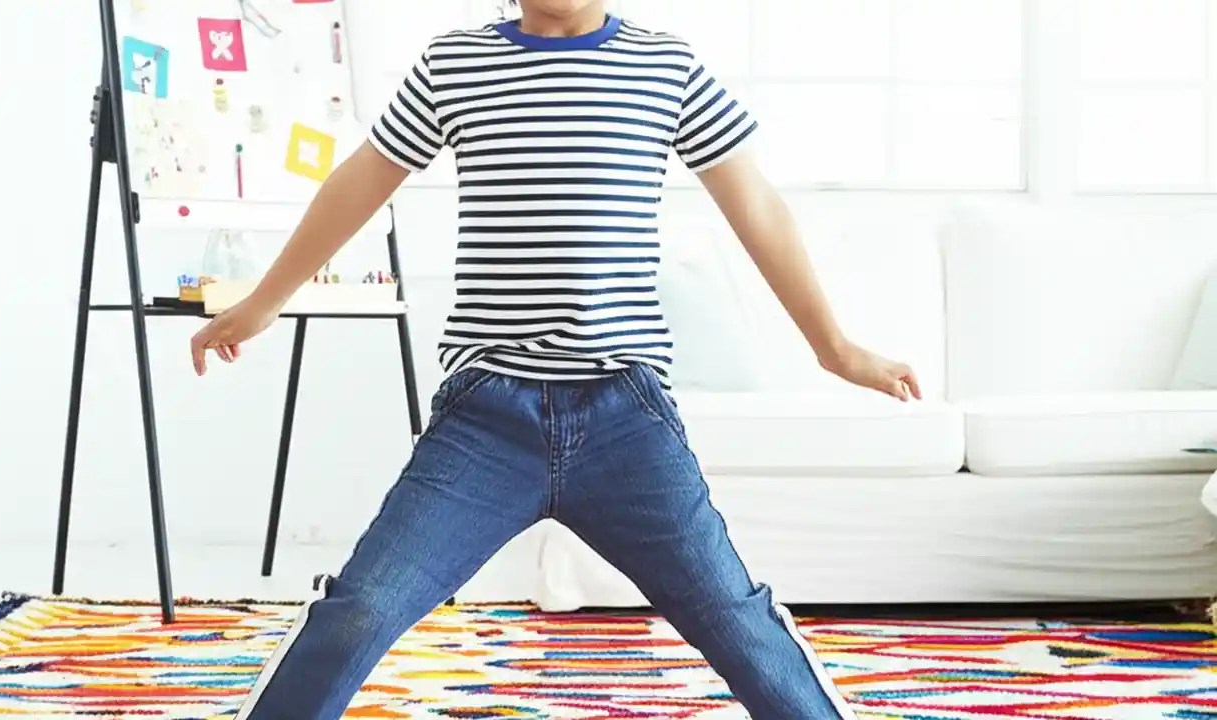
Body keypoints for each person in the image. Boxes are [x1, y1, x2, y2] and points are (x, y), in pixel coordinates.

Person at [194, 1, 920, 718]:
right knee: (360, 608)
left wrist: (835, 347)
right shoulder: (458, 63)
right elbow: (361, 180)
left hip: (625, 421)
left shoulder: (664, 66)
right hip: (486, 420)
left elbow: (755, 204)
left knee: (734, 617)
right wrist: (265, 300)